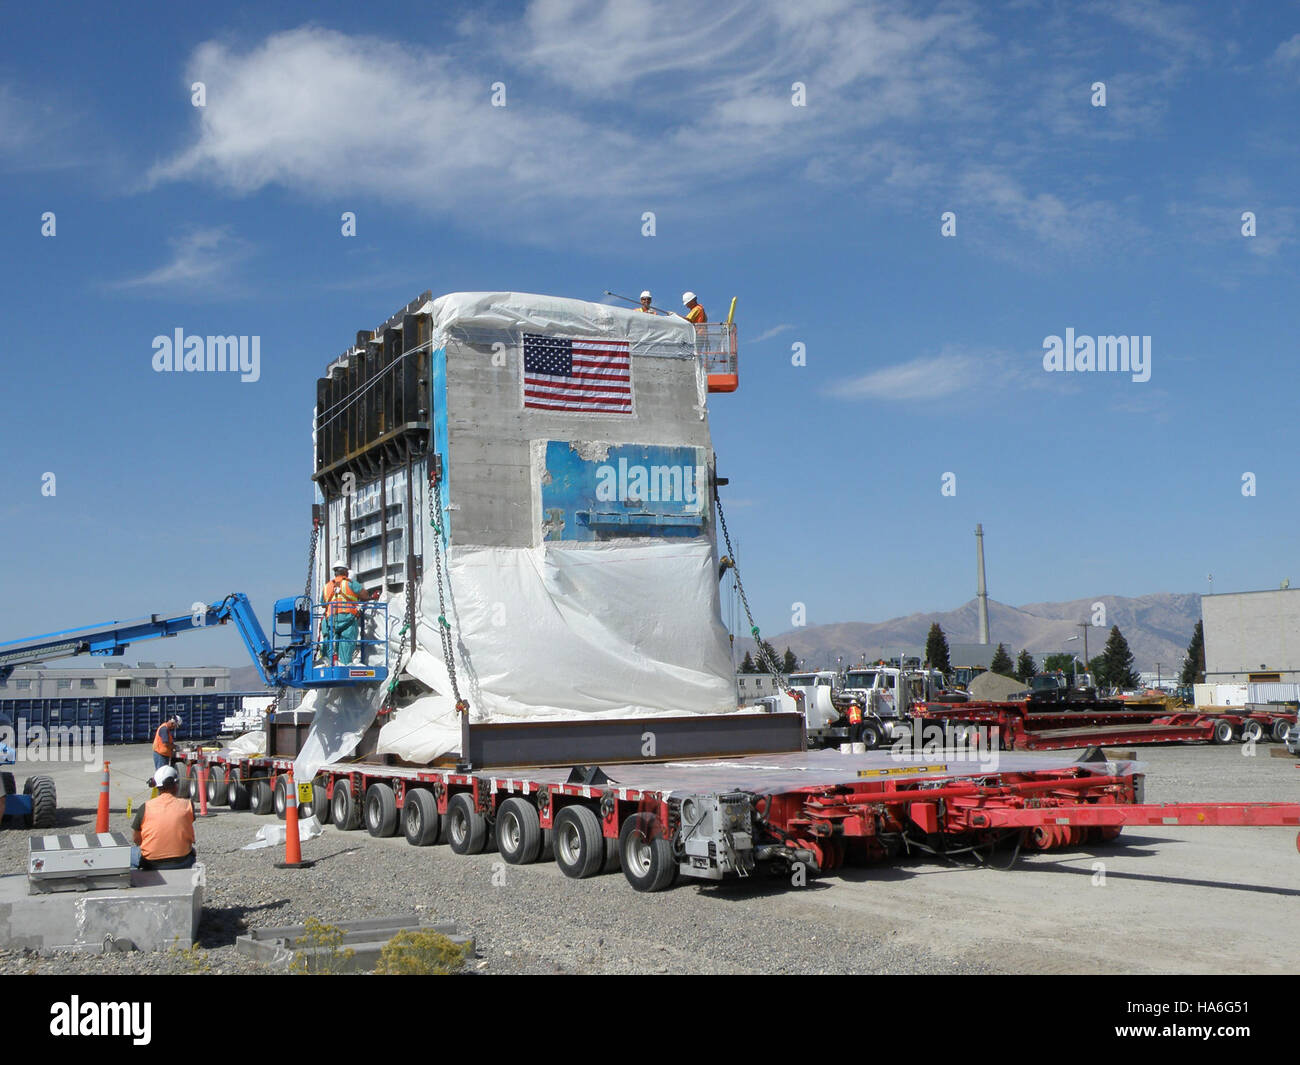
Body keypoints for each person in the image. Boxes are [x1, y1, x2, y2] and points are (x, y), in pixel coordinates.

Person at [131, 765, 196, 870]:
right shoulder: (188, 805)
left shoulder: (146, 807)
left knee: (128, 855)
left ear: (156, 786)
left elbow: (136, 839)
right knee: (191, 851)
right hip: (183, 860)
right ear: (175, 785)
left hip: (151, 862)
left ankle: (138, 882)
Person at [323, 560, 367, 665]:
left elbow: (323, 603)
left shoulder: (327, 586)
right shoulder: (350, 583)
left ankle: (330, 664)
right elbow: (365, 595)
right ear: (346, 572)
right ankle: (345, 663)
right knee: (347, 641)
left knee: (331, 642)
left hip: (331, 620)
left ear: (335, 572)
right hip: (348, 618)